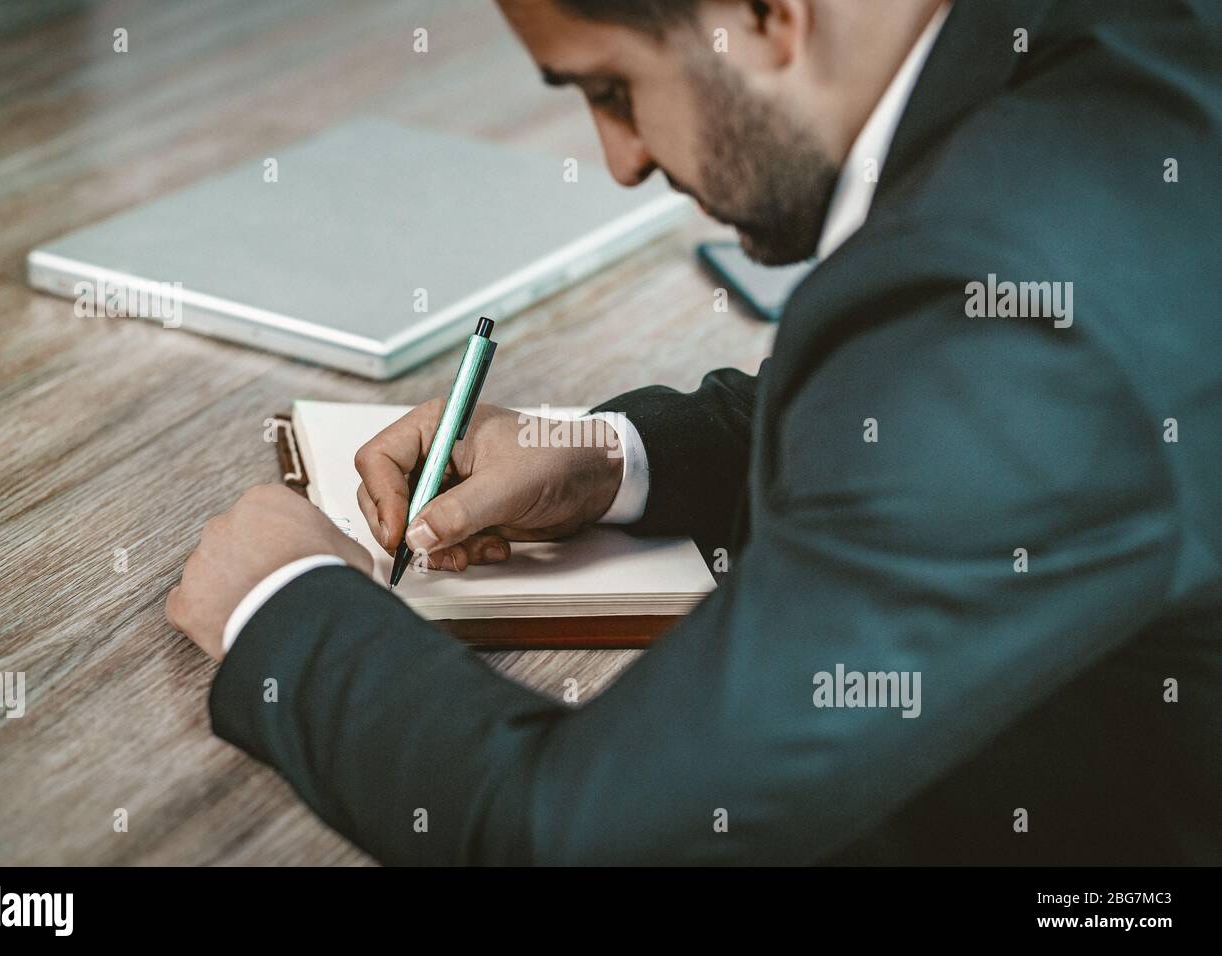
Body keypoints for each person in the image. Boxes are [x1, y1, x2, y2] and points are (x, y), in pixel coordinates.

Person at [165, 0, 1222, 864]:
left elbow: (585, 839)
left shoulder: (1006, 309)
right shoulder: (1096, 57)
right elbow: (954, 433)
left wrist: (284, 612)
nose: (618, 160)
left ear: (770, 17)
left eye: (614, 90)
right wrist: (616, 458)